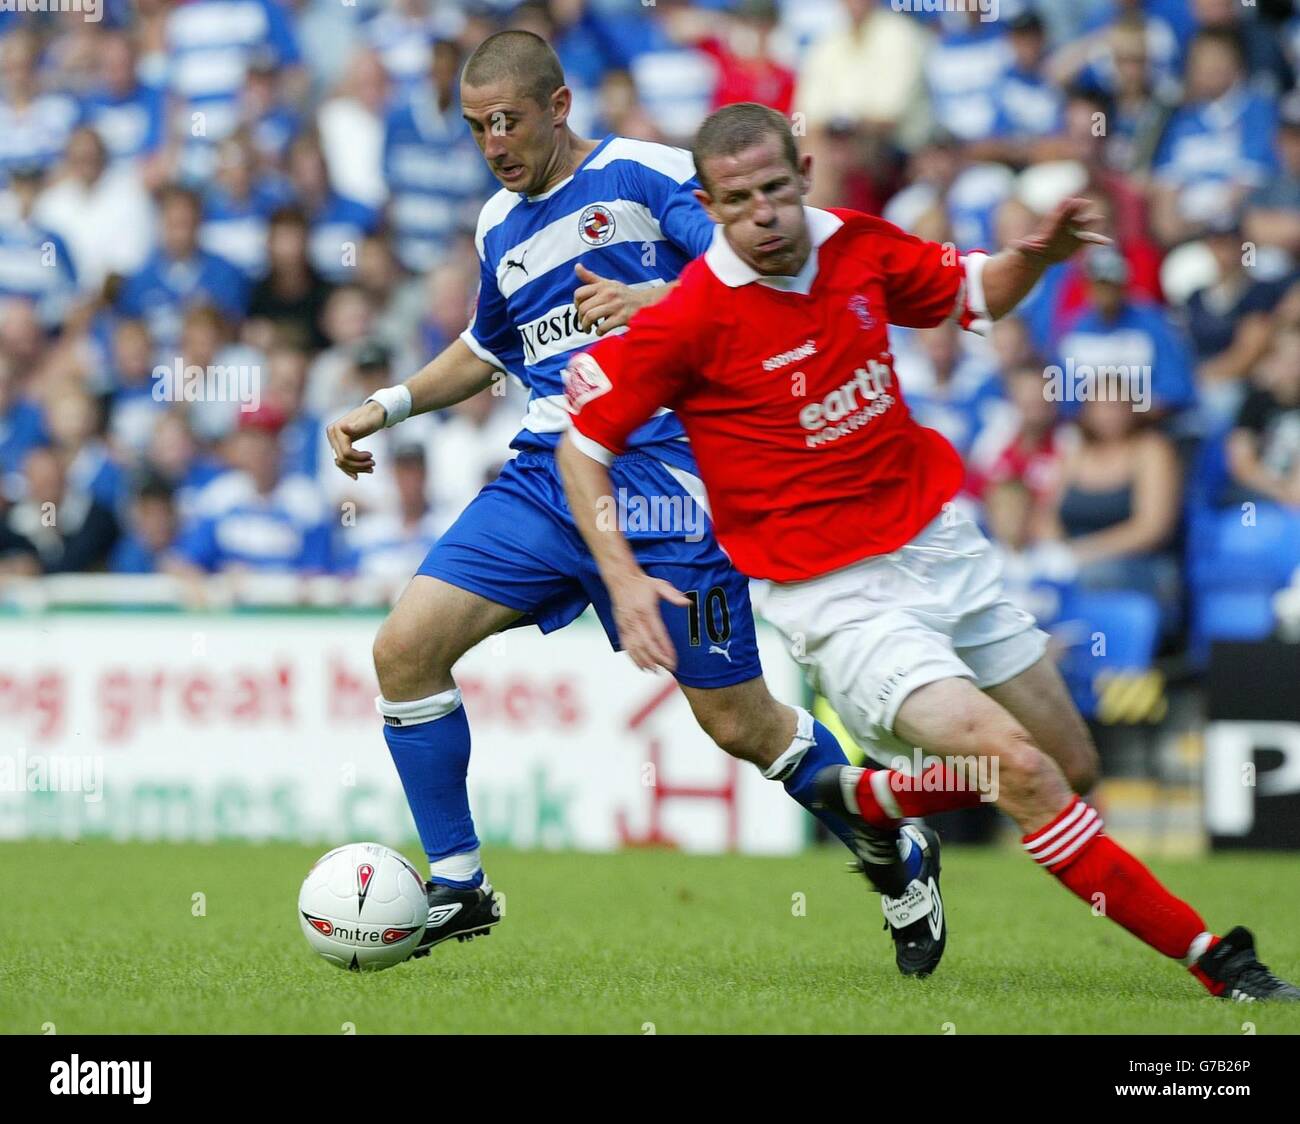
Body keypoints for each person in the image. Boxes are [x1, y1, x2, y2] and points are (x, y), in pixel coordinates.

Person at [556, 102, 1299, 1001]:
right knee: (1018, 768)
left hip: (942, 548)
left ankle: (869, 802)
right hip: (838, 598)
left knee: (1071, 766)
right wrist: (624, 576)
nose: (764, 213)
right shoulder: (690, 321)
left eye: (776, 189)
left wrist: (1037, 254)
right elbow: (583, 448)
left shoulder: (858, 244)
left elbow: (975, 290)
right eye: (740, 198)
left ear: (804, 173)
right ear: (709, 207)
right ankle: (1217, 962)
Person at [325, 34, 942, 973]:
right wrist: (384, 408)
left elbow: (758, 270)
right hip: (546, 472)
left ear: (559, 106)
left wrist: (654, 297)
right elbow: (485, 350)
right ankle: (458, 884)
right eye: (475, 126)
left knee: (737, 724)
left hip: (669, 479)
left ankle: (893, 847)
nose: (493, 141)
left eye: (508, 120)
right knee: (403, 650)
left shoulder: (648, 176)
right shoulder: (499, 225)